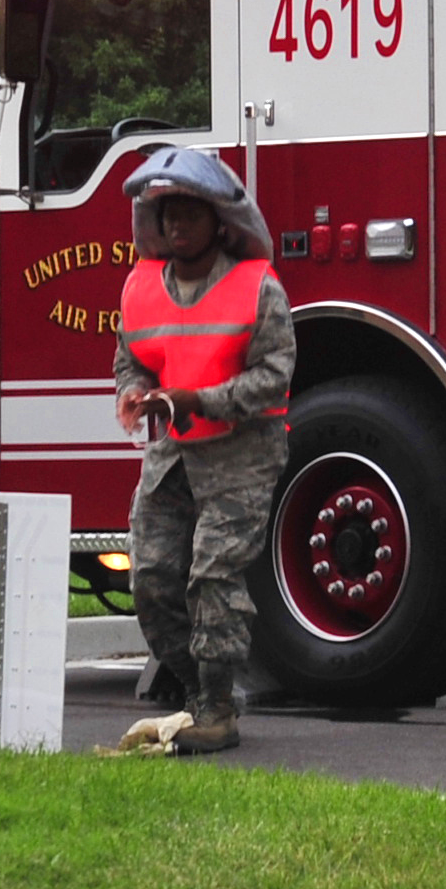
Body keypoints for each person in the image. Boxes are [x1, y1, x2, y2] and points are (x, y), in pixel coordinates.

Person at [111, 146, 295, 755]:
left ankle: (217, 708)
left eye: (191, 213)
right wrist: (135, 391)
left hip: (242, 454)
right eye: (168, 214)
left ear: (220, 221)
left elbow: (275, 375)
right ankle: (199, 690)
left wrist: (202, 400)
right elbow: (131, 359)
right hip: (172, 457)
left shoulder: (256, 287)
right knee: (153, 578)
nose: (178, 225)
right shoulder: (140, 288)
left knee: (213, 576)